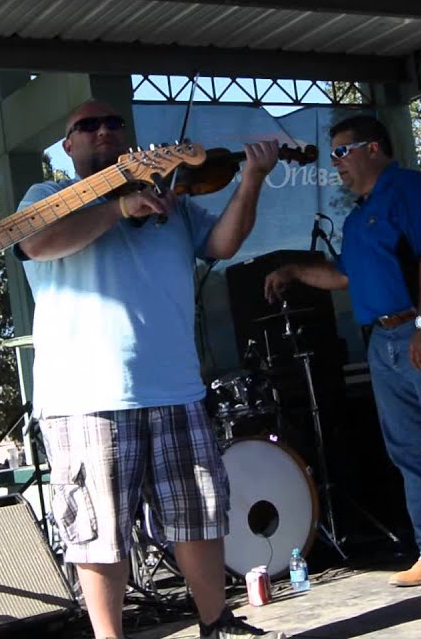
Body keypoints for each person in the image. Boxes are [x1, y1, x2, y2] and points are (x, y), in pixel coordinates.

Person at [15, 100, 283, 639]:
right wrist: (117, 208)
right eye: (88, 126)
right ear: (68, 146)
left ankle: (217, 623)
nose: (104, 131)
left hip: (176, 386)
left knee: (198, 515)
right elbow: (36, 243)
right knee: (99, 533)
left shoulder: (170, 201)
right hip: (85, 396)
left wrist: (252, 178)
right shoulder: (47, 195)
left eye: (114, 123)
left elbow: (223, 242)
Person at [263, 116, 421, 588]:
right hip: (385, 338)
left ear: (374, 148)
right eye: (333, 154)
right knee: (410, 450)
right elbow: (344, 275)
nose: (336, 163)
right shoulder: (358, 215)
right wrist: (294, 271)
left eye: (342, 152)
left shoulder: (415, 191)